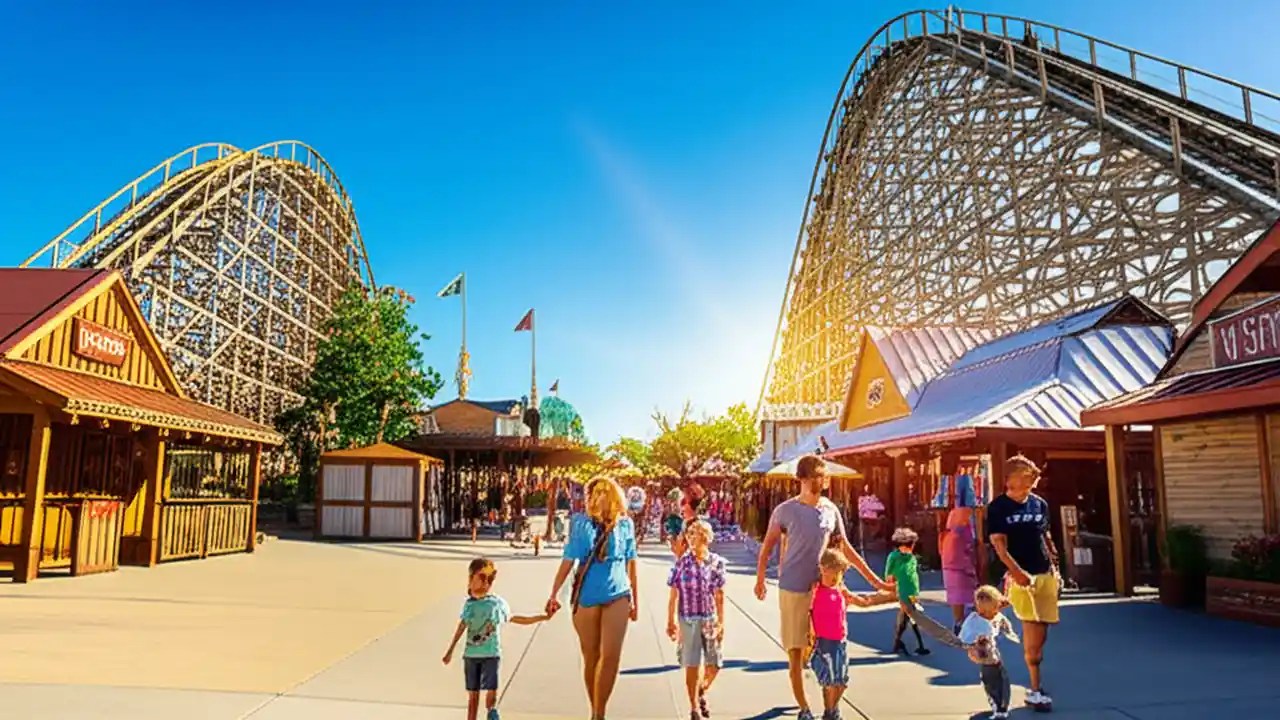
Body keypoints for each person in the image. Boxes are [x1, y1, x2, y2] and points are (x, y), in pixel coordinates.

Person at [754, 455, 893, 720]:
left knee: (824, 648)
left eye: (825, 475)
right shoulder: (785, 510)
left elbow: (846, 550)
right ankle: (805, 710)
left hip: (825, 590)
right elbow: (768, 546)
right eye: (818, 475)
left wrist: (876, 582)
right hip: (793, 589)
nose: (823, 479)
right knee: (795, 652)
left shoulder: (830, 509)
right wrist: (760, 579)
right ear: (803, 479)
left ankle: (830, 707)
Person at [546, 476, 639, 720]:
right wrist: (553, 593)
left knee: (610, 655)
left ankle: (600, 713)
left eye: (604, 491)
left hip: (617, 593)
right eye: (594, 492)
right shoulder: (581, 523)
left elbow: (631, 561)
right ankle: (595, 709)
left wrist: (635, 598)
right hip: (586, 595)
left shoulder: (626, 525)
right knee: (591, 656)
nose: (599, 496)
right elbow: (569, 559)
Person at [986, 455, 1059, 713]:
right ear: (1011, 479)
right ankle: (1036, 687)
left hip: (1044, 573)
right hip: (1021, 576)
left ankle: (1033, 678)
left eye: (1033, 477)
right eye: (1026, 476)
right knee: (1032, 630)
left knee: (1042, 630)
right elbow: (999, 546)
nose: (1031, 481)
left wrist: (1055, 566)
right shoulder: (998, 508)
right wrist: (1016, 572)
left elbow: (1045, 535)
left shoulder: (1039, 504)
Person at [442, 558, 550, 720]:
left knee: (491, 690)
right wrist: (450, 651)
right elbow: (461, 627)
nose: (476, 582)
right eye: (476, 577)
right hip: (471, 655)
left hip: (491, 654)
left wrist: (541, 617)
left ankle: (492, 712)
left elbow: (515, 618)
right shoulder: (469, 606)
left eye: (486, 578)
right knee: (473, 696)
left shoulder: (496, 604)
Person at [665, 519, 726, 720]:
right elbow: (674, 593)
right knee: (692, 664)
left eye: (696, 535)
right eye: (690, 535)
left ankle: (702, 689)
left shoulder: (716, 562)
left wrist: (721, 621)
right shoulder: (682, 562)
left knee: (714, 664)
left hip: (709, 617)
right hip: (688, 618)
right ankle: (693, 708)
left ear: (706, 539)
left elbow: (719, 594)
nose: (692, 539)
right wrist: (671, 621)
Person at [809, 549, 876, 720]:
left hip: (840, 641)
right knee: (830, 682)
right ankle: (831, 712)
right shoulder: (815, 590)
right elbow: (807, 613)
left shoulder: (840, 589)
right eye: (835, 572)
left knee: (842, 682)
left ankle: (831, 711)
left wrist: (883, 595)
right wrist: (809, 634)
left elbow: (860, 601)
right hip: (824, 642)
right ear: (823, 569)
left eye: (840, 573)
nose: (837, 576)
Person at [958, 585, 1021, 720]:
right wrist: (972, 646)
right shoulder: (975, 620)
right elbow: (965, 636)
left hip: (994, 656)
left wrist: (1012, 634)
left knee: (1002, 679)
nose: (995, 612)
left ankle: (1002, 706)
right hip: (984, 656)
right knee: (990, 681)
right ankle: (997, 706)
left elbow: (1004, 622)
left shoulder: (996, 615)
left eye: (995, 608)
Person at [886, 527, 930, 656]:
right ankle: (910, 644)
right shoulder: (894, 557)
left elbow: (913, 574)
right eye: (909, 545)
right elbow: (889, 575)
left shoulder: (911, 557)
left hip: (913, 590)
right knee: (911, 616)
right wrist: (891, 587)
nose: (911, 548)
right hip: (903, 590)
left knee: (910, 617)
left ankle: (899, 643)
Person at [942, 506, 979, 633]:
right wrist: (970, 568)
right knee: (963, 599)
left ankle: (960, 624)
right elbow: (958, 556)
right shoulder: (957, 536)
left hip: (951, 571)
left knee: (958, 599)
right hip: (960, 571)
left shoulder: (949, 535)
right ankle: (962, 626)